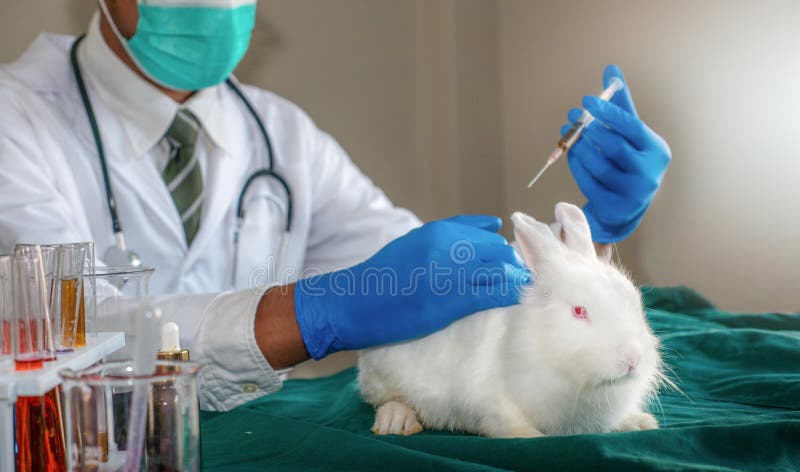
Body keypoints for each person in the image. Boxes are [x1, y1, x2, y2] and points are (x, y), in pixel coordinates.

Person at [0, 0, 670, 411]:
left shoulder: (280, 132)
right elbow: (69, 333)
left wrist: (585, 249)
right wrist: (312, 314)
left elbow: (430, 283)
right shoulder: (14, 120)